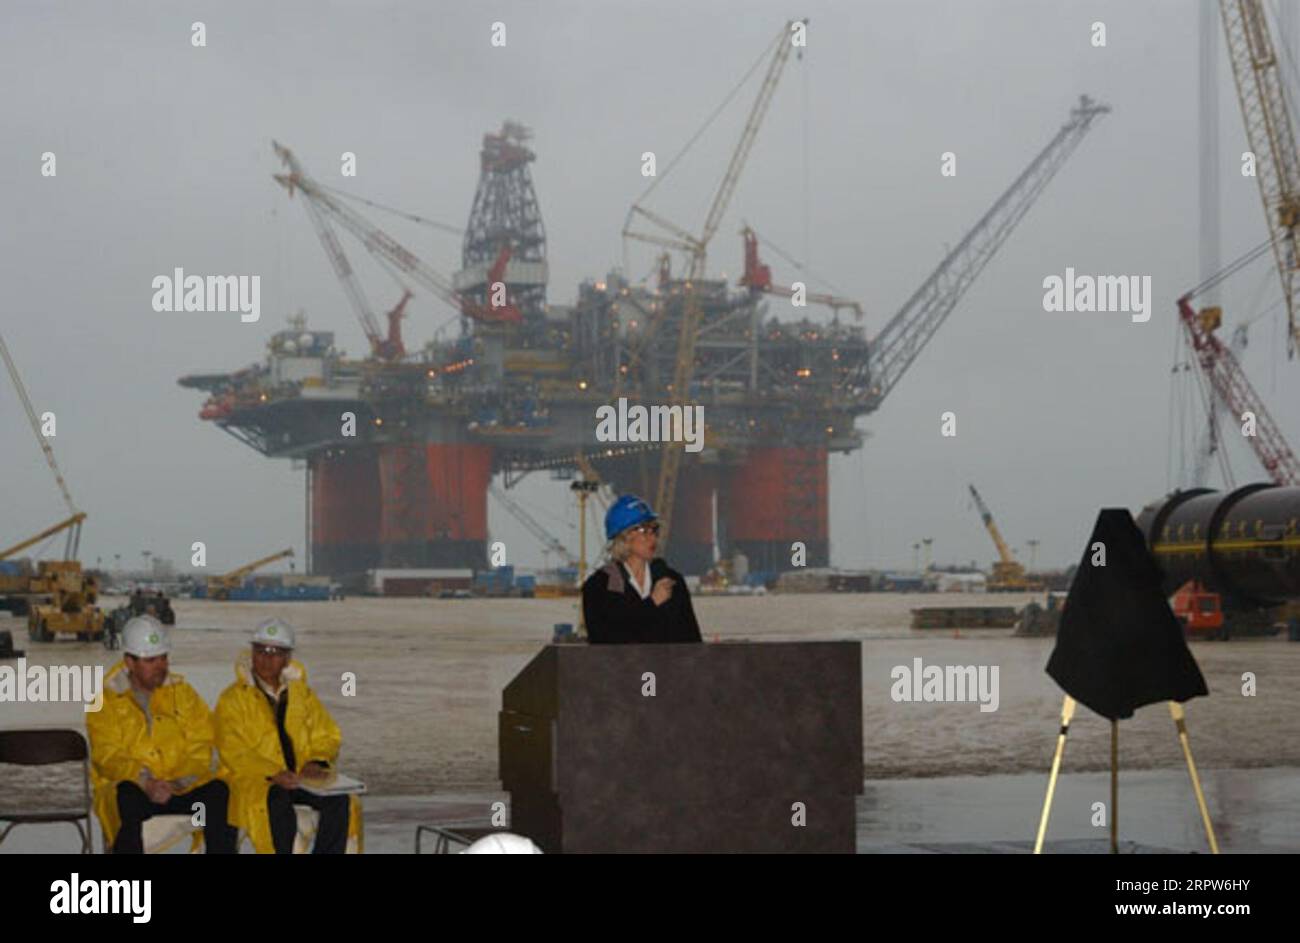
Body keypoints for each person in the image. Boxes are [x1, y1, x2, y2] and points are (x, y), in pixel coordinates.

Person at [86, 615, 236, 853]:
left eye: (164, 658)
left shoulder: (184, 695)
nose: (161, 666)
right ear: (129, 662)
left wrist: (178, 782)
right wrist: (146, 782)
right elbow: (107, 756)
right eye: (151, 660)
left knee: (219, 794)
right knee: (126, 798)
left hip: (181, 792)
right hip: (138, 794)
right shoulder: (103, 702)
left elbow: (205, 745)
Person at [215, 618, 359, 854]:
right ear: (251, 653)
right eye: (260, 651)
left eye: (275, 652)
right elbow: (232, 750)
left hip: (300, 777)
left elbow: (327, 734)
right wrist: (273, 773)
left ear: (287, 658)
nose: (266, 658)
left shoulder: (302, 695)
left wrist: (317, 761)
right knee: (277, 802)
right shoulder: (232, 699)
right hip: (257, 780)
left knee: (340, 801)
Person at [581, 494, 703, 643]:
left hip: (667, 666)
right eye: (644, 531)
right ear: (623, 536)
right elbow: (606, 641)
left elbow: (692, 641)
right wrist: (652, 604)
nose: (653, 538)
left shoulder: (672, 581)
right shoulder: (599, 586)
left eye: (654, 530)